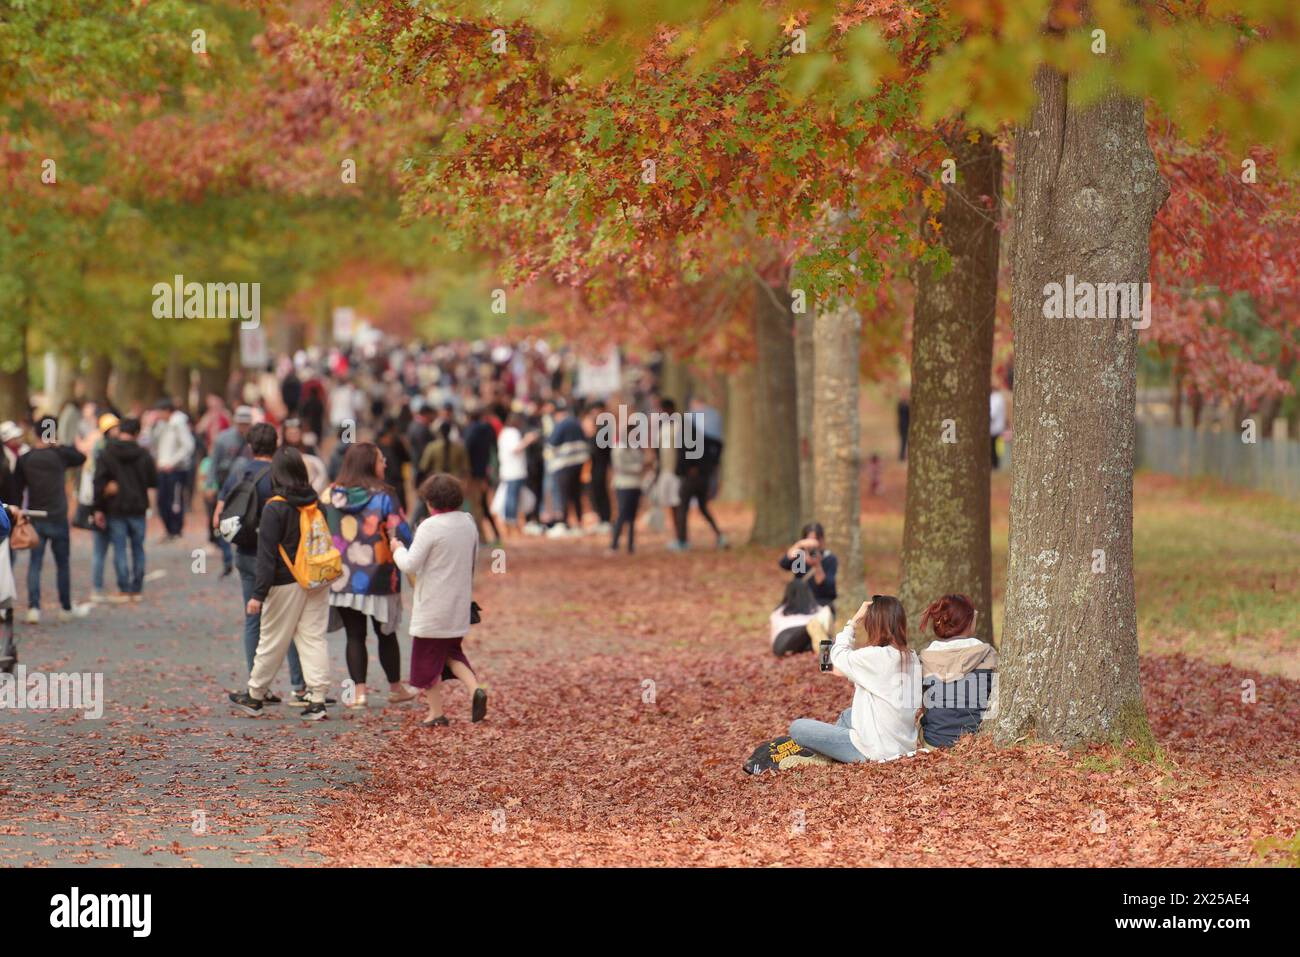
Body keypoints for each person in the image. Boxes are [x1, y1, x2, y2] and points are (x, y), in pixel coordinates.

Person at [228, 447, 334, 721]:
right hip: (317, 579)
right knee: (313, 638)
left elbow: (267, 556)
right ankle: (318, 698)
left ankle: (255, 695)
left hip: (286, 582)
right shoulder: (315, 503)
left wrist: (258, 594)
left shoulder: (275, 506)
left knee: (272, 638)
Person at [214, 422, 305, 704]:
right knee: (288, 622)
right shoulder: (279, 475)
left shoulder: (238, 473)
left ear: (250, 446)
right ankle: (299, 686)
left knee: (254, 619)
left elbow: (219, 515)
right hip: (280, 558)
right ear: (276, 444)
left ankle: (257, 686)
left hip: (245, 554)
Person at [323, 442, 416, 709]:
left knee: (354, 635)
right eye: (380, 459)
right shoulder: (385, 495)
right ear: (368, 464)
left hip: (343, 576)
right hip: (380, 576)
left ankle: (360, 694)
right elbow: (402, 532)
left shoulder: (330, 494)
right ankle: (396, 689)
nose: (385, 463)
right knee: (386, 633)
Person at [392, 473, 487, 727]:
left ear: (430, 501)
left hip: (433, 606)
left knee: (426, 660)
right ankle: (476, 688)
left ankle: (436, 713)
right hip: (458, 603)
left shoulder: (429, 527)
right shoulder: (468, 522)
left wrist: (397, 549)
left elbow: (410, 564)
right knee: (450, 653)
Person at [786, 596, 921, 765]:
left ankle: (826, 756)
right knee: (848, 715)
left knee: (797, 727)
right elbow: (831, 667)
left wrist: (853, 621)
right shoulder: (911, 657)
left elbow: (833, 659)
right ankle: (829, 754)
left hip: (875, 750)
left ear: (873, 624)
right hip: (901, 744)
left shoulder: (875, 656)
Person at [14, 416, 89, 623]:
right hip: (57, 516)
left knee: (35, 563)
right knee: (62, 563)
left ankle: (33, 608)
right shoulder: (60, 455)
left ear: (35, 433)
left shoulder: (26, 459)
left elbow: (17, 490)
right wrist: (58, 445)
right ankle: (65, 607)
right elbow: (81, 457)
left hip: (36, 517)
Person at [918, 594, 998, 748]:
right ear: (969, 620)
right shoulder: (987, 654)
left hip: (935, 742)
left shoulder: (925, 658)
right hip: (976, 740)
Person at [93, 417, 157, 602]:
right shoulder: (144, 455)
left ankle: (123, 588)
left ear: (120, 431)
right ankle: (137, 589)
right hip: (138, 507)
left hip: (115, 507)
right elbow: (152, 481)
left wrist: (98, 507)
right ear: (137, 433)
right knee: (138, 548)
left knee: (119, 549)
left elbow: (98, 482)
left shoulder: (107, 452)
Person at [672, 399, 725, 550]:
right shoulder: (705, 436)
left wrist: (687, 469)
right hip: (703, 476)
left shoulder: (688, 433)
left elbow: (683, 455)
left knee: (682, 508)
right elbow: (718, 445)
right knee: (703, 508)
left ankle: (682, 541)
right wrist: (710, 466)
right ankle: (719, 535)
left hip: (691, 477)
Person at [545, 399, 588, 537]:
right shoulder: (576, 422)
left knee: (563, 495)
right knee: (576, 495)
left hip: (564, 465)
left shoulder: (561, 425)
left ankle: (564, 523)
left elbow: (552, 444)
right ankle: (579, 523)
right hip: (579, 464)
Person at [152, 402, 195, 541]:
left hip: (176, 470)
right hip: (163, 468)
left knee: (174, 501)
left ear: (167, 411)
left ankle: (176, 530)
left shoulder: (179, 424)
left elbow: (188, 446)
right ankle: (169, 529)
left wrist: (173, 462)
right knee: (162, 501)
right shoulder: (162, 425)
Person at [609, 420, 652, 554]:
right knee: (622, 514)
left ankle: (630, 545)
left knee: (632, 516)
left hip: (636, 484)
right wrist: (639, 467)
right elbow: (619, 467)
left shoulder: (636, 449)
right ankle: (614, 544)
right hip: (623, 484)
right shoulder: (619, 449)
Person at [462, 402, 500, 544]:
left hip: (471, 475)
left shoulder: (470, 431)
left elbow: (466, 451)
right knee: (482, 505)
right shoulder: (488, 429)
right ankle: (494, 534)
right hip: (484, 473)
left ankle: (481, 538)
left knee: (475, 507)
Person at [778, 522, 838, 613]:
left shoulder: (829, 558)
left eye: (814, 540)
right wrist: (798, 545)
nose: (811, 545)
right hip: (801, 601)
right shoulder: (800, 556)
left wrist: (817, 565)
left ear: (821, 540)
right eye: (808, 540)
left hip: (821, 603)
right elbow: (784, 564)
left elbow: (824, 585)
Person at [769, 578, 833, 657]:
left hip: (782, 645)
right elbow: (827, 629)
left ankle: (826, 658)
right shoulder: (818, 610)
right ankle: (826, 660)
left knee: (816, 631)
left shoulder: (778, 611)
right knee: (815, 626)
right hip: (787, 639)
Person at [495, 411, 532, 535]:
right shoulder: (512, 433)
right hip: (514, 471)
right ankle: (510, 522)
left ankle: (510, 522)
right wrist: (528, 440)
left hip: (509, 470)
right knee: (512, 498)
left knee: (512, 497)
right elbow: (516, 448)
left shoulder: (504, 433)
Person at [990, 384, 1007, 469]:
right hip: (995, 428)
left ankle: (996, 466)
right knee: (994, 448)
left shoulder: (996, 398)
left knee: (995, 449)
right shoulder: (996, 397)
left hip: (995, 429)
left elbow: (993, 414)